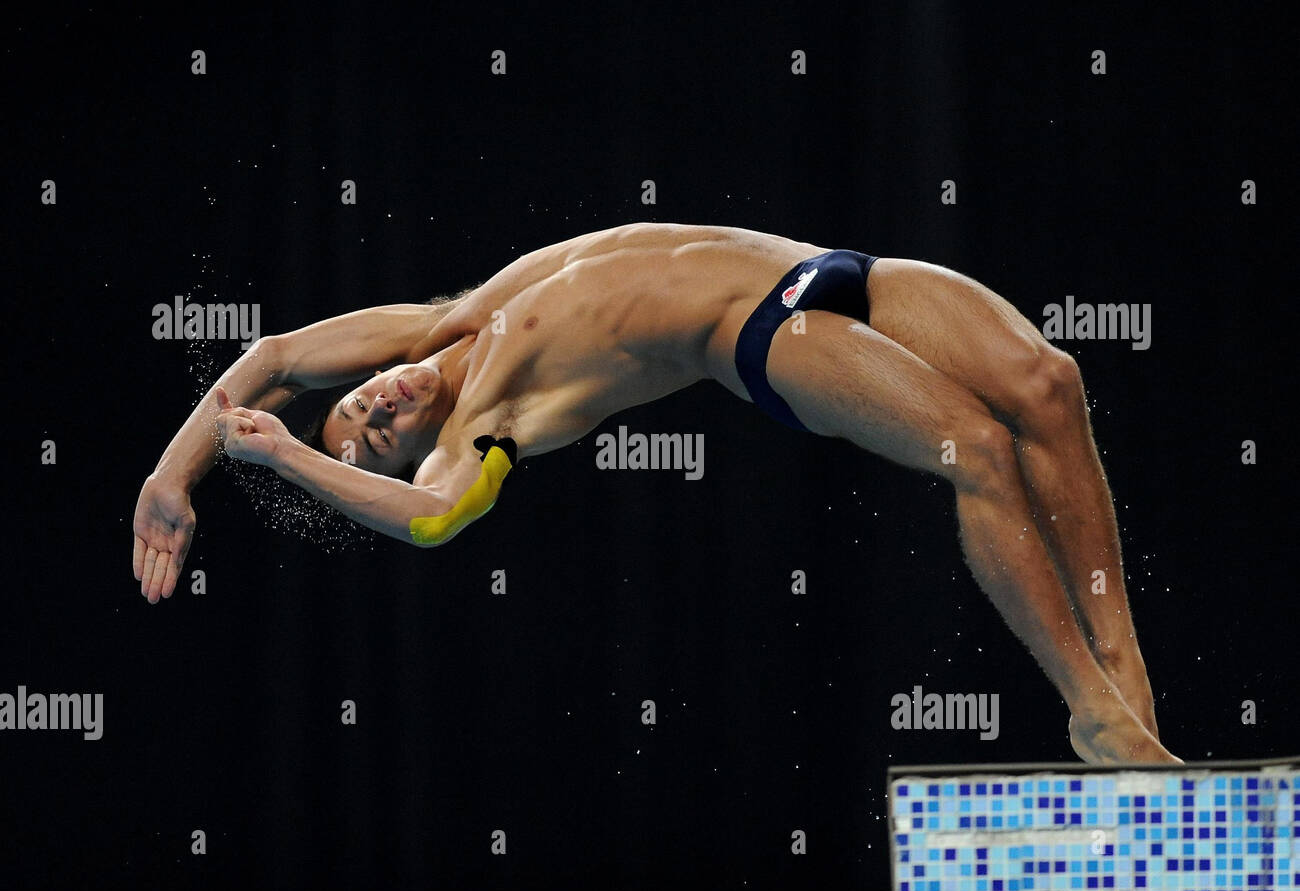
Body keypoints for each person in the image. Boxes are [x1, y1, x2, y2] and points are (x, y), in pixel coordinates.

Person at [132, 222, 1177, 765]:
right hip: (765, 335)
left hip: (820, 264)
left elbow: (270, 358)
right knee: (977, 447)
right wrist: (288, 460)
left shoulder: (432, 326)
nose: (377, 406)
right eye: (378, 435)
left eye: (355, 405)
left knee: (1050, 384)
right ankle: (1089, 711)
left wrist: (174, 474)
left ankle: (1125, 682)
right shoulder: (491, 422)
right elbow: (436, 516)